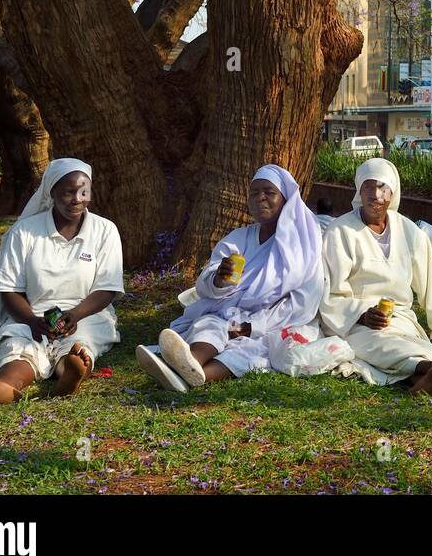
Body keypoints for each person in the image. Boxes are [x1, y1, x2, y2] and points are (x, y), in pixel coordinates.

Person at [138, 164, 324, 392]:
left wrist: (252, 327)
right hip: (226, 312)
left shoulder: (303, 247)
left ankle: (193, 375)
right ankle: (191, 360)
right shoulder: (239, 237)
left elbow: (303, 303)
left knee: (253, 350)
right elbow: (207, 281)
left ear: (286, 200)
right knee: (210, 324)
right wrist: (219, 279)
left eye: (269, 192)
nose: (260, 198)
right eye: (254, 193)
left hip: (272, 321)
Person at [0, 158, 124, 404]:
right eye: (68, 192)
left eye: (83, 191)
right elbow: (9, 289)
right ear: (52, 192)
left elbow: (107, 289)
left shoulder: (105, 230)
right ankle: (4, 387)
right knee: (18, 345)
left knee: (79, 345)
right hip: (31, 313)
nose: (77, 199)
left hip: (86, 314)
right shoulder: (24, 231)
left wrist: (75, 315)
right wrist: (33, 322)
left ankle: (70, 374)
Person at [321, 158, 432, 394]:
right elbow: (330, 292)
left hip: (401, 319)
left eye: (382, 187)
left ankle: (429, 370)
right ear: (359, 191)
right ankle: (430, 369)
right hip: (356, 324)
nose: (375, 194)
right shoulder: (340, 231)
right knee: (379, 345)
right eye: (368, 186)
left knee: (411, 344)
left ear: (392, 192)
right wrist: (363, 316)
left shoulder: (409, 231)